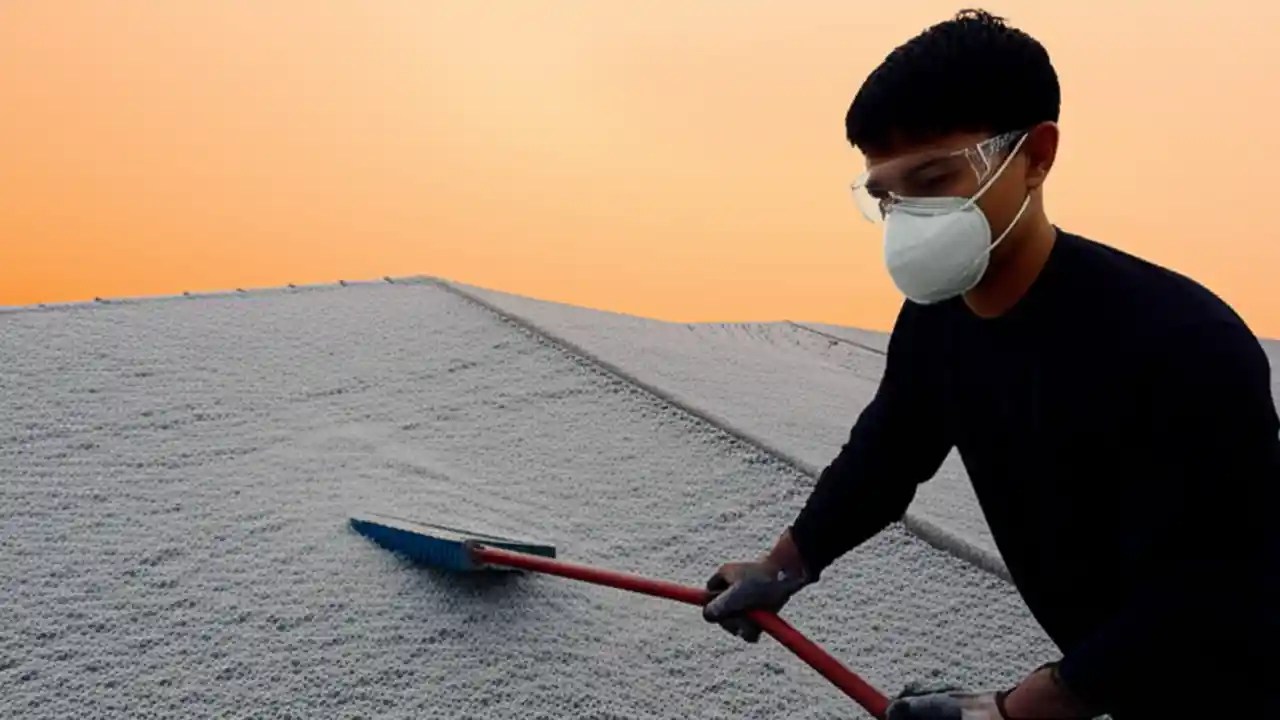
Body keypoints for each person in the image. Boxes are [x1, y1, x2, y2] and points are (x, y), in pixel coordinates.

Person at [702, 8, 1278, 720]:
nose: (908, 212)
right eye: (886, 194)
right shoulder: (939, 321)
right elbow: (886, 455)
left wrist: (1015, 710)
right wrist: (784, 564)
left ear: (1037, 155)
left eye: (936, 177)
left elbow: (1214, 584)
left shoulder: (1183, 341)